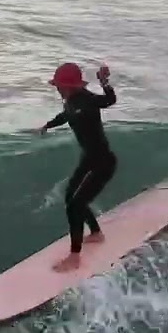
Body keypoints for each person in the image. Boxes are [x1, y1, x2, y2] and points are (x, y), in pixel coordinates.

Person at [38, 62, 117, 272]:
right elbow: (66, 115)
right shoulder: (71, 101)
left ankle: (74, 257)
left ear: (69, 86)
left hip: (102, 162)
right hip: (90, 159)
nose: (56, 88)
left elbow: (109, 100)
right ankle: (96, 233)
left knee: (76, 205)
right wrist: (48, 125)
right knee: (71, 197)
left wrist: (104, 82)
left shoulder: (86, 98)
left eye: (59, 85)